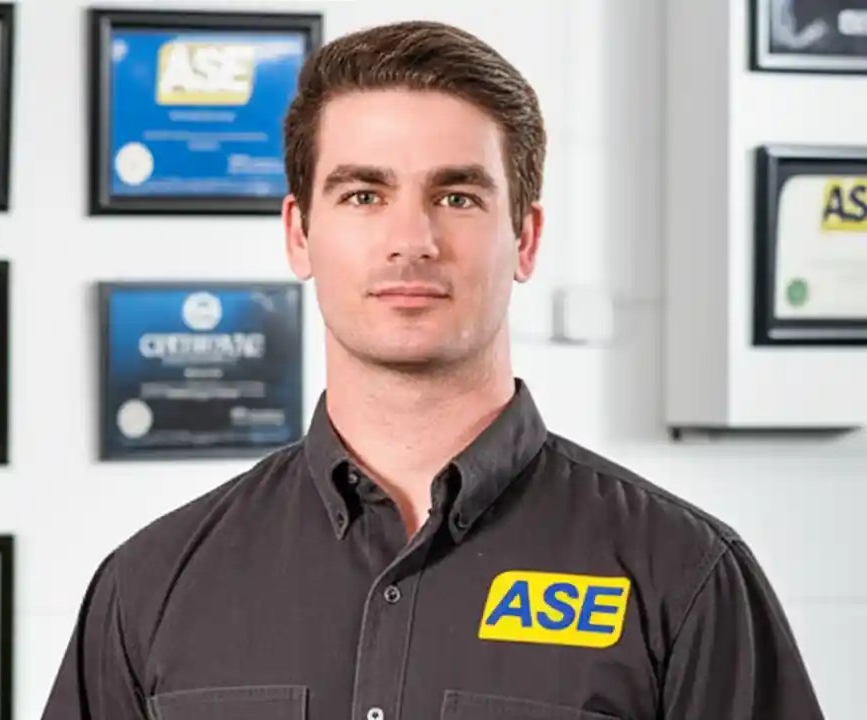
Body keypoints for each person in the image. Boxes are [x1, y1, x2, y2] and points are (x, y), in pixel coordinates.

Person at [41, 20, 825, 720]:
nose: (411, 240)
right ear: (299, 235)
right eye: (362, 195)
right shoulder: (153, 585)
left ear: (525, 240)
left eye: (456, 196)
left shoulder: (681, 576)